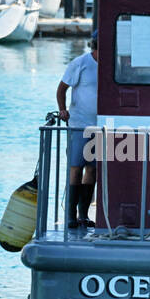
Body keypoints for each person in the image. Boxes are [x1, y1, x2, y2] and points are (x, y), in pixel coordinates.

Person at [56, 29, 98, 229]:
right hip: (79, 125)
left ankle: (84, 214)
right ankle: (70, 215)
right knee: (76, 168)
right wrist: (63, 110)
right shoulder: (80, 63)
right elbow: (61, 89)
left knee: (92, 169)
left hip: (101, 128)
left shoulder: (113, 66)